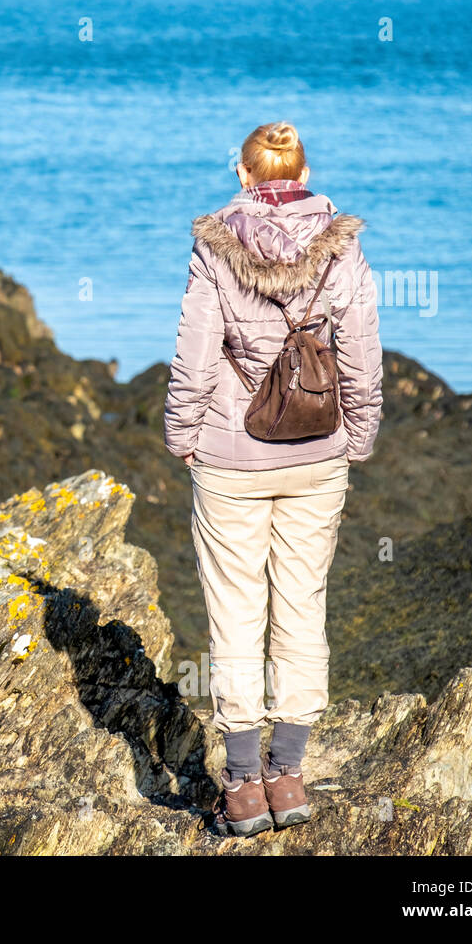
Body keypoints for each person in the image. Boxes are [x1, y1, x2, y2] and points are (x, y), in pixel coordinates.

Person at [163, 121, 384, 837]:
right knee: (301, 607)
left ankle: (243, 787)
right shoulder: (341, 244)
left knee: (235, 615)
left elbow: (195, 356)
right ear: (307, 170)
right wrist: (360, 435)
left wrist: (181, 435)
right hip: (317, 454)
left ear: (242, 176)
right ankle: (289, 778)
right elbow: (361, 353)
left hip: (231, 460)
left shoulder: (215, 245)